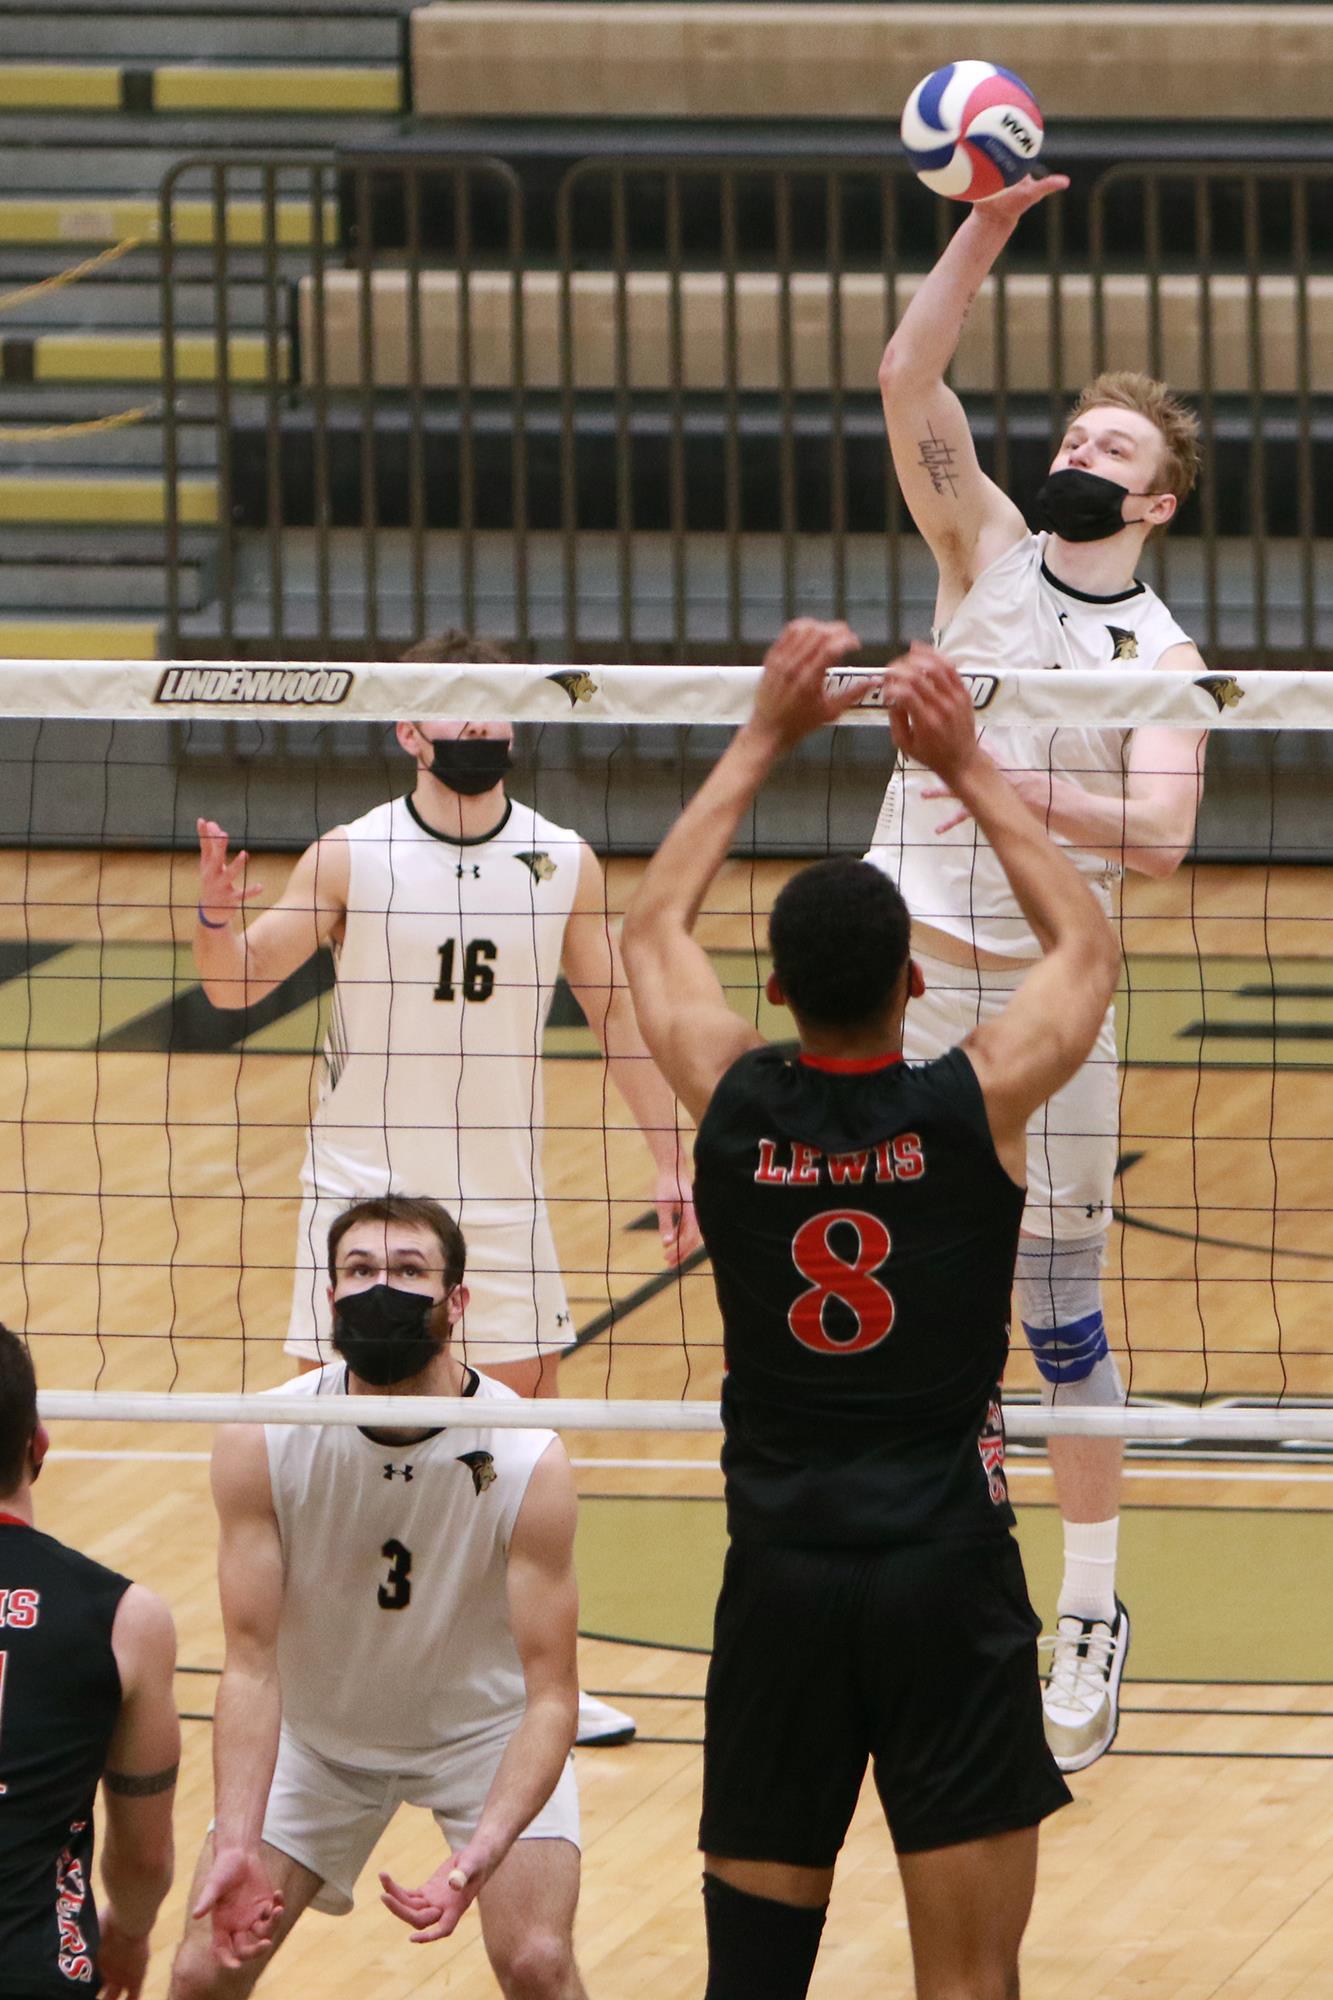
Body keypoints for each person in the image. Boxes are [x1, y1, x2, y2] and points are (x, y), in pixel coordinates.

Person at [621, 621, 1121, 2000]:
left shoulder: (734, 1104)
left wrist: (767, 735)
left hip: (780, 1583)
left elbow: (648, 929)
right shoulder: (972, 1104)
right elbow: (1083, 945)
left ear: (772, 991)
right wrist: (962, 760)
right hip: (945, 1586)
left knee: (752, 1985)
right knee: (968, 1985)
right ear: (914, 985)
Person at [194, 628, 698, 1746]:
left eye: (491, 709)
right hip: (361, 1198)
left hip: (501, 1203)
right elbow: (235, 985)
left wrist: (670, 1156)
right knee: (330, 1451)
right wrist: (217, 914)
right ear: (407, 728)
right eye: (451, 712)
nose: (475, 729)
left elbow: (618, 1018)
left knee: (520, 1460)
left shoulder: (563, 858)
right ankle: (317, 1679)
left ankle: (533, 1687)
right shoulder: (351, 854)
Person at [870, 173, 1209, 1770]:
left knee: (1056, 1311)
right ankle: (912, 1572)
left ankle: (1089, 1612)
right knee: (902, 1284)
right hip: (910, 973)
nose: (1079, 455)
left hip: (1052, 1001)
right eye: (1074, 437)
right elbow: (907, 383)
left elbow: (1157, 841)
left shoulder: (1165, 663)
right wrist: (986, 232)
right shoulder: (984, 548)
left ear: (1155, 506)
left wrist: (994, 770)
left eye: (1114, 451)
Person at [168, 1194, 587, 2000]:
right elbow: (251, 1667)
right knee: (198, 1971)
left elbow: (550, 1699)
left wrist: (479, 1854)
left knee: (537, 1961)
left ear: (455, 1300)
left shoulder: (528, 1454)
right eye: (358, 1271)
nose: (379, 1289)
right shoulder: (261, 1437)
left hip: (483, 1739)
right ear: (328, 1295)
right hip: (318, 1742)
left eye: (407, 1271)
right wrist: (237, 1842)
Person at [0, 1324, 179, 2000]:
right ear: (37, 1443)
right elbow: (144, 1858)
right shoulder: (126, 1619)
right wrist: (128, 1932)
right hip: (36, 1971)